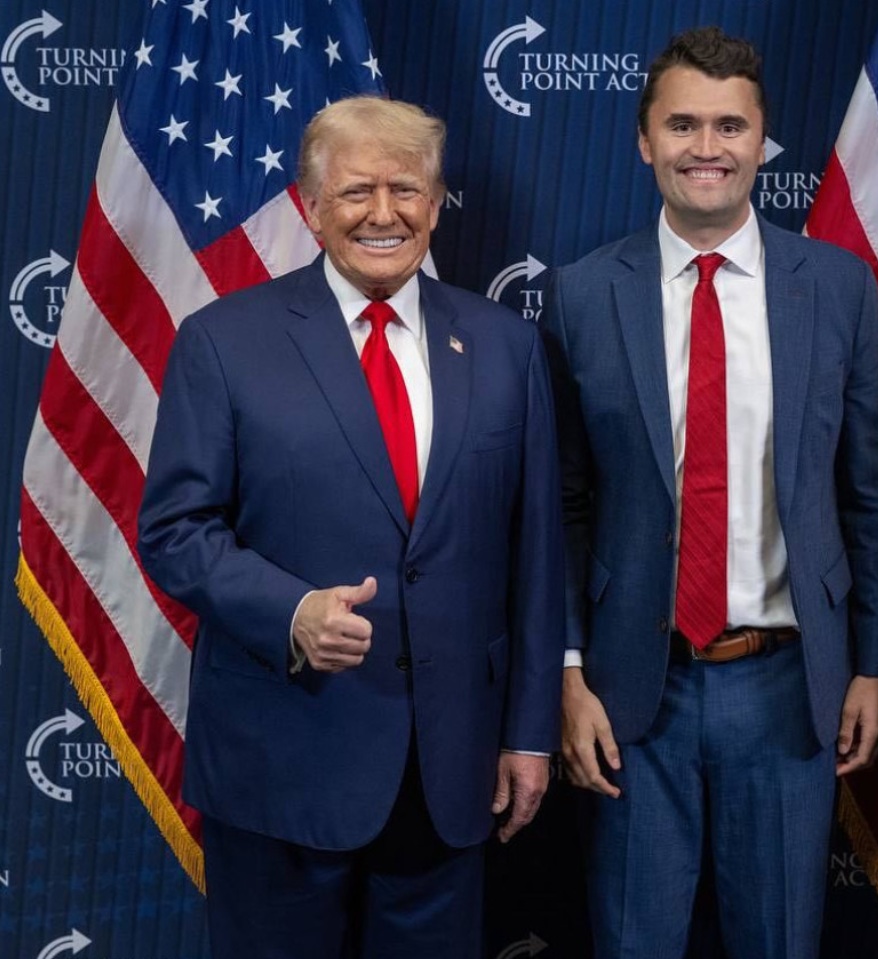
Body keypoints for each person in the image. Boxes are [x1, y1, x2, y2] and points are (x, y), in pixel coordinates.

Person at [137, 96, 564, 959]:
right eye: (357, 190)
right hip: (282, 761)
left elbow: (538, 560)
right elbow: (175, 530)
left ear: (437, 204)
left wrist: (526, 731)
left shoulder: (505, 346)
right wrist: (289, 611)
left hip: (449, 772)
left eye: (406, 188)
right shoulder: (223, 342)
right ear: (310, 206)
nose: (383, 212)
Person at [541, 26, 878, 959]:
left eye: (730, 127)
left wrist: (873, 664)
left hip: (788, 686)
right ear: (643, 139)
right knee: (633, 941)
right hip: (632, 687)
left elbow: (871, 494)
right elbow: (563, 506)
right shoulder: (583, 296)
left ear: (761, 142)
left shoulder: (836, 287)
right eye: (684, 125)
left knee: (780, 942)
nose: (707, 148)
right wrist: (570, 670)